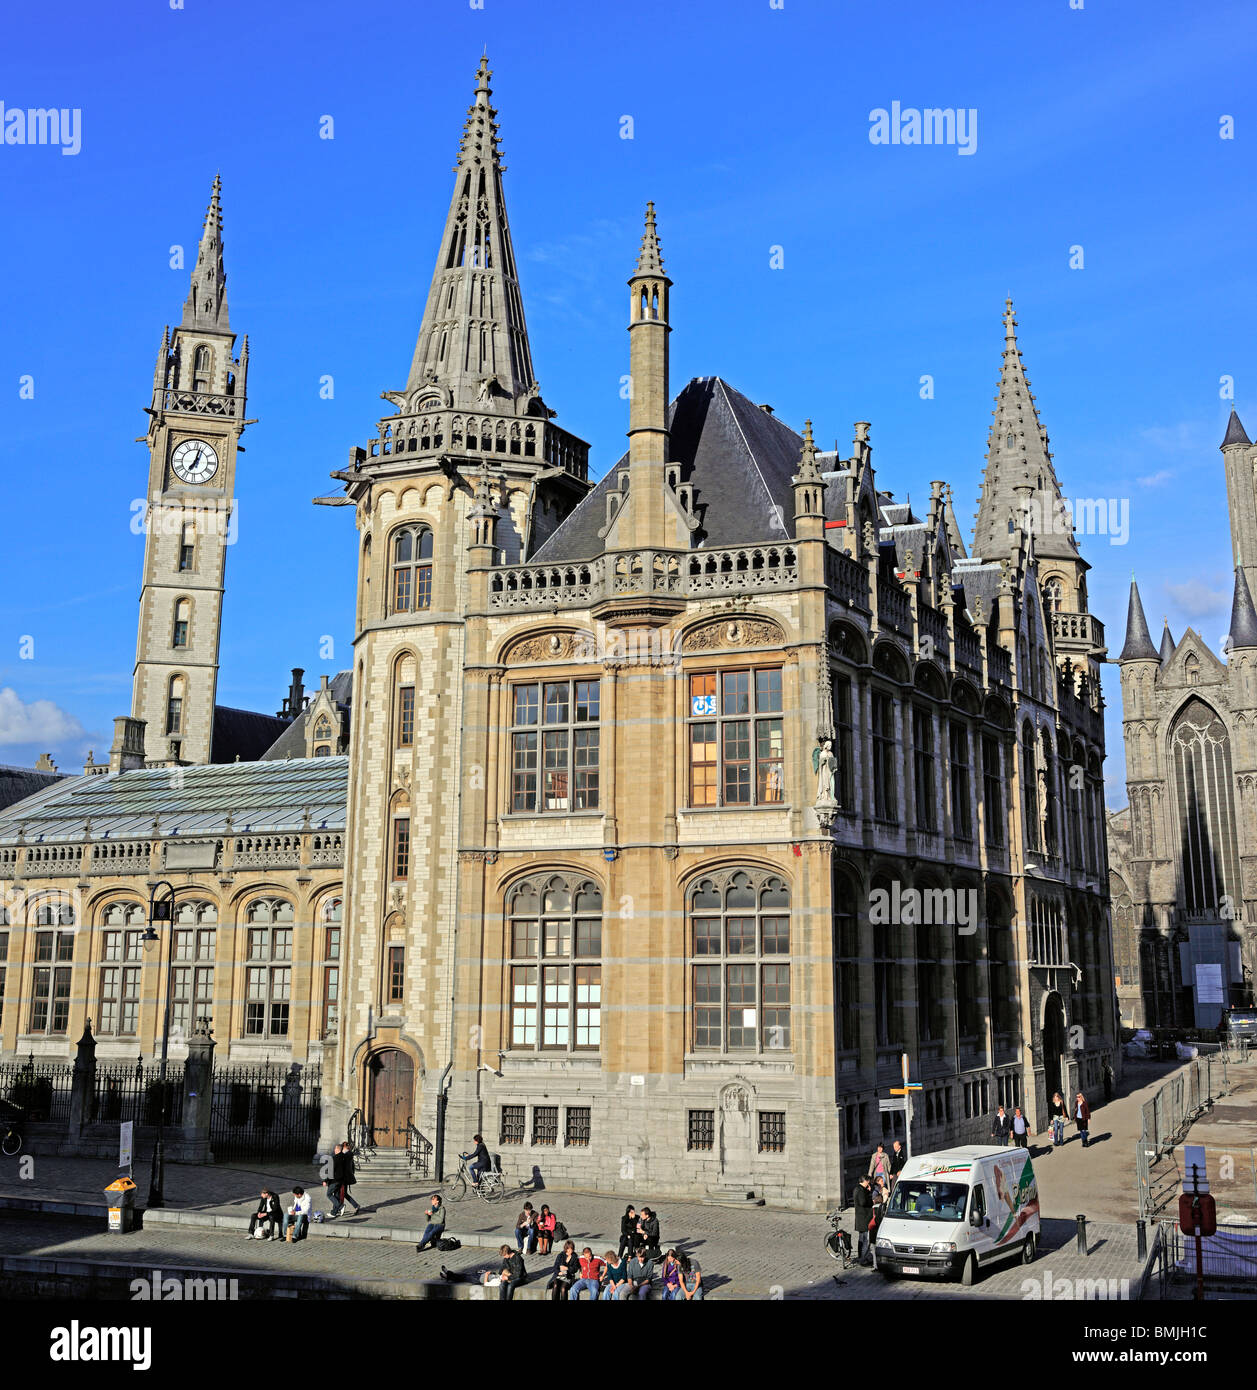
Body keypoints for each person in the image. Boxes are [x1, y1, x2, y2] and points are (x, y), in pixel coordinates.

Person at [852, 1176, 874, 1266]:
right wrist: (871, 1200)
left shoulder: (858, 1188)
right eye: (868, 1181)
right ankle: (863, 1259)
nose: (869, 1183)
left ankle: (861, 1257)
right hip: (864, 1218)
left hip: (861, 1218)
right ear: (865, 1181)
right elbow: (863, 1202)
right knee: (865, 1239)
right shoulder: (861, 1190)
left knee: (861, 1239)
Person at [339, 1140, 361, 1214]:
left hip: (344, 1178)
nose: (342, 1149)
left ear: (345, 1148)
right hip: (346, 1177)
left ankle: (340, 1207)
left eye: (343, 1147)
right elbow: (352, 1167)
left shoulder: (347, 1155)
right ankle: (355, 1205)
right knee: (343, 1193)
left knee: (342, 1193)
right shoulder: (349, 1155)